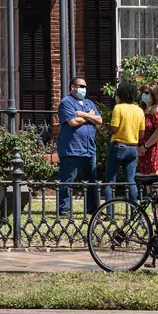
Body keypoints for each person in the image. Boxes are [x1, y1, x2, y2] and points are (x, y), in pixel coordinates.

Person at [55, 76, 102, 216]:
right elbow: (72, 123)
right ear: (72, 87)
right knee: (67, 181)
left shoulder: (89, 103)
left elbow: (99, 120)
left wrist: (83, 114)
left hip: (89, 149)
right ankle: (64, 210)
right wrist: (89, 117)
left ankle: (92, 208)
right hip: (72, 149)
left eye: (85, 86)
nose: (83, 89)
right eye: (80, 86)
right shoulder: (66, 102)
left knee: (91, 182)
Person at [104, 82, 143, 206]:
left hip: (119, 146)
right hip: (133, 148)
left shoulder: (118, 108)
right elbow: (141, 134)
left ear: (121, 95)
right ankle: (135, 211)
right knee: (131, 181)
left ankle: (110, 212)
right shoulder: (139, 110)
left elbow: (114, 128)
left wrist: (107, 128)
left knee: (110, 181)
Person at [136, 82, 158, 210]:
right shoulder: (143, 110)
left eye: (147, 93)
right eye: (143, 92)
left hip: (155, 148)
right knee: (146, 178)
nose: (144, 95)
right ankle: (153, 208)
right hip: (143, 149)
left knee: (156, 178)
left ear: (153, 94)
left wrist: (146, 145)